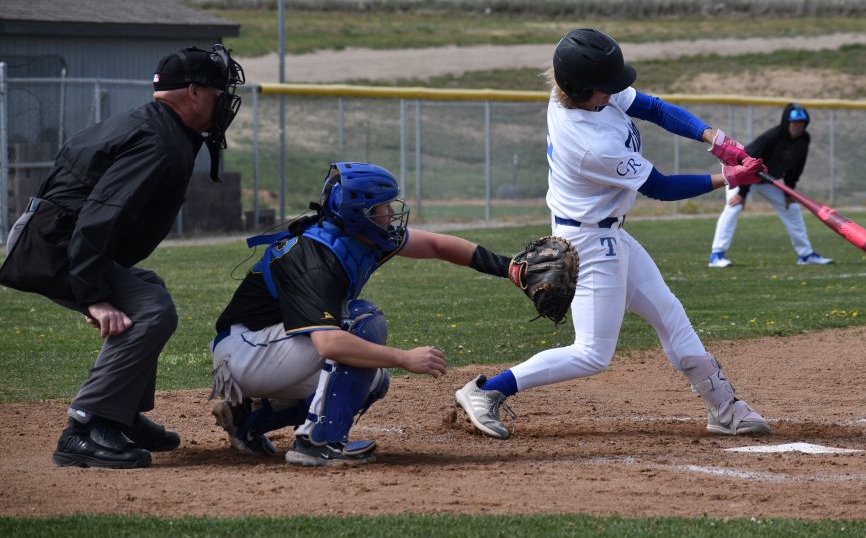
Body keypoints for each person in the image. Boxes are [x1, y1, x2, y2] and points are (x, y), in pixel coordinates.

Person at [454, 28, 771, 441]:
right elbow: (660, 187)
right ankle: (487, 391)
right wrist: (728, 177)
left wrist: (714, 139)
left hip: (611, 233)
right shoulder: (589, 143)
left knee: (669, 314)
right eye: (606, 86)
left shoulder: (582, 93)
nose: (614, 91)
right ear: (581, 89)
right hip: (588, 244)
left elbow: (653, 107)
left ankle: (725, 410)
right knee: (591, 354)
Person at [0, 44, 246, 468]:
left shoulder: (157, 126)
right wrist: (93, 294)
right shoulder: (159, 140)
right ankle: (85, 427)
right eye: (218, 91)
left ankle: (121, 415)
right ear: (193, 92)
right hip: (56, 243)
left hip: (55, 237)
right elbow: (99, 217)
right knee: (151, 309)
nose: (223, 101)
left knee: (148, 290)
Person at [208, 161, 541, 467]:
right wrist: (404, 358)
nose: (392, 212)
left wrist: (512, 269)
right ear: (361, 212)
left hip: (270, 346)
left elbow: (438, 246)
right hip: (245, 352)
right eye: (384, 206)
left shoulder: (358, 236)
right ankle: (316, 442)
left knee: (372, 379)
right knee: (360, 322)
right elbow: (328, 344)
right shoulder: (317, 258)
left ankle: (247, 420)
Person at [708, 103, 833, 268]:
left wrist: (789, 193)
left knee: (792, 208)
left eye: (801, 123)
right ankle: (717, 255)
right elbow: (750, 162)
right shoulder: (772, 137)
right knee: (734, 206)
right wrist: (742, 194)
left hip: (766, 179)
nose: (797, 126)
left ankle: (805, 255)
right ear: (786, 123)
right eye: (794, 123)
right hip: (740, 174)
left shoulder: (804, 139)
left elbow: (796, 167)